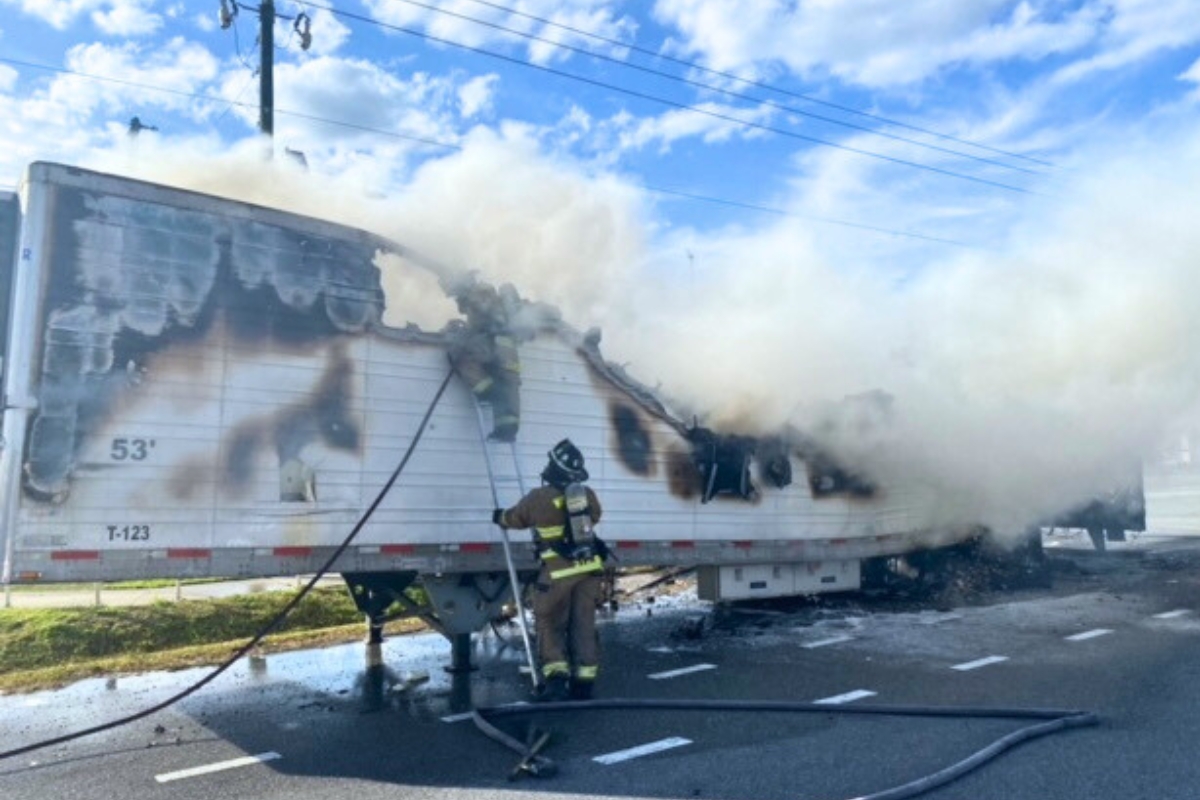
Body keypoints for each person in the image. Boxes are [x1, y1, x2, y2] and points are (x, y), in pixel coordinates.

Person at [493, 439, 608, 701]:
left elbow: (514, 519)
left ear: (553, 468)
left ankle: (556, 683)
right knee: (583, 626)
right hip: (590, 570)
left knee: (550, 624)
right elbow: (597, 516)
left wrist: (498, 516)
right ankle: (584, 685)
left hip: (556, 575)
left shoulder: (539, 498)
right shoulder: (586, 495)